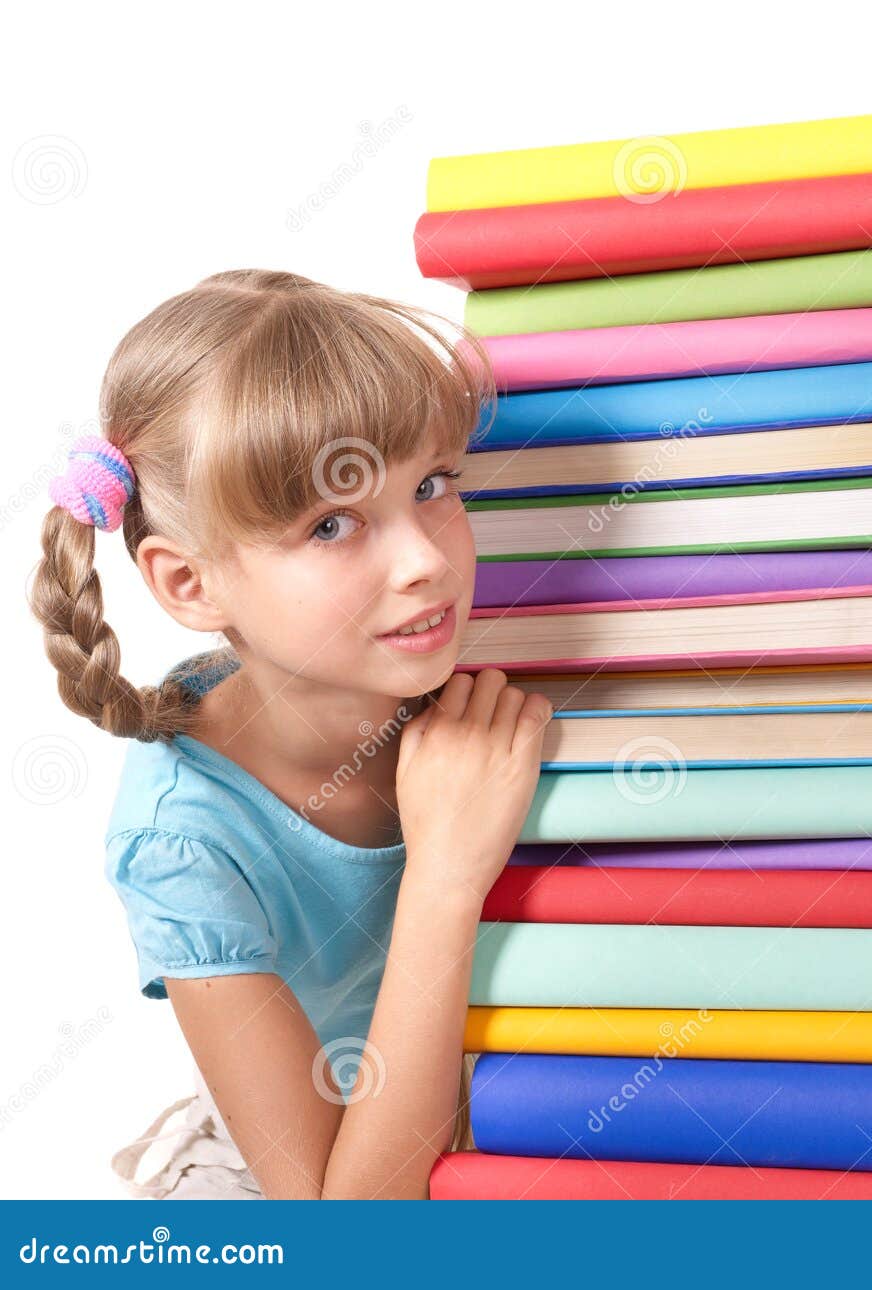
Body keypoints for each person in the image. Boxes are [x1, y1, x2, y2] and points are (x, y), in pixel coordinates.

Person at [28, 270, 552, 1198]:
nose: (427, 560)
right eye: (333, 524)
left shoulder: (443, 671)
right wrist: (442, 872)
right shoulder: (183, 841)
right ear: (190, 585)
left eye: (433, 483)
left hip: (505, 1133)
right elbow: (344, 1235)